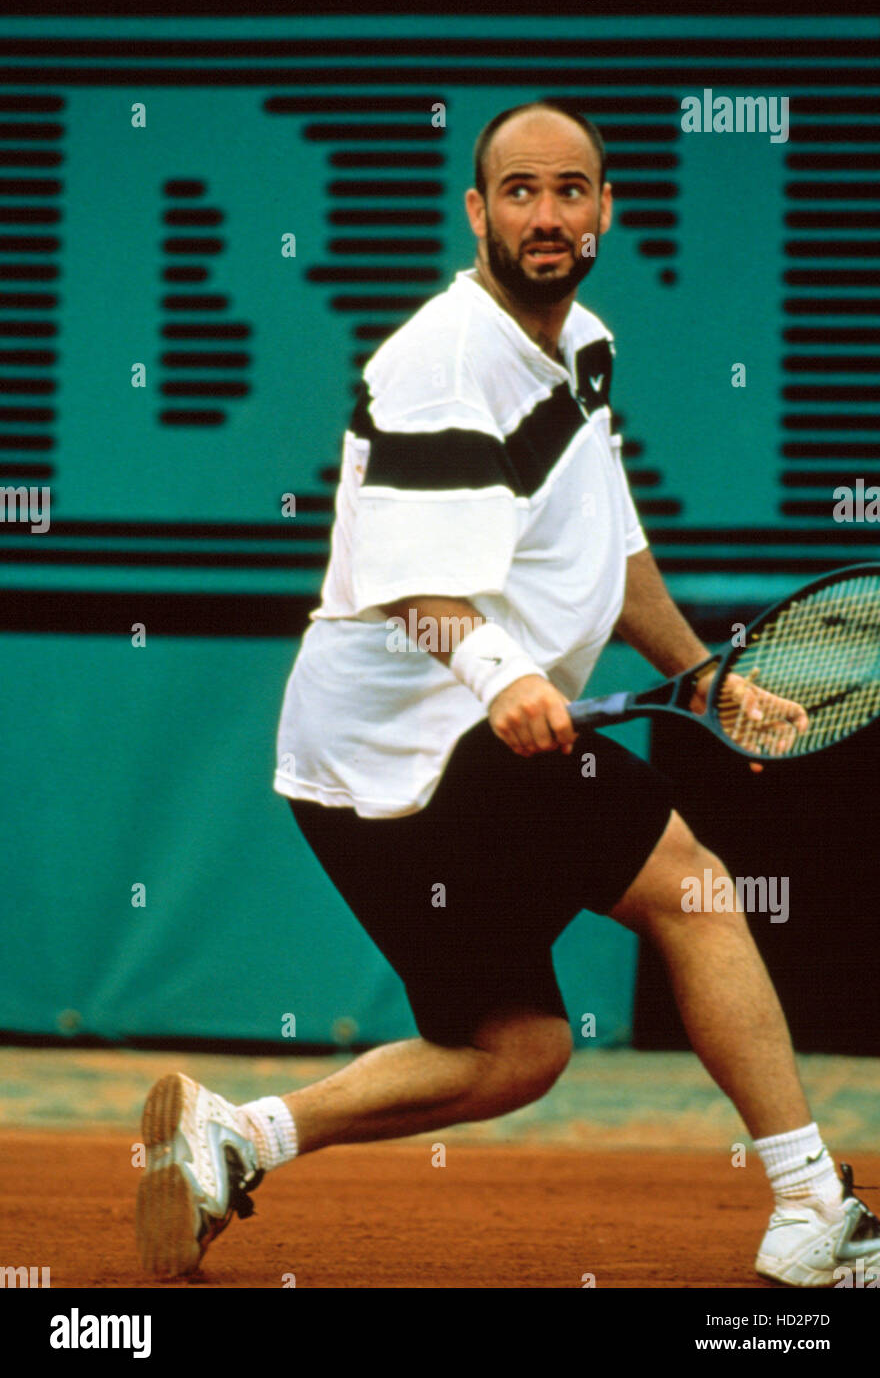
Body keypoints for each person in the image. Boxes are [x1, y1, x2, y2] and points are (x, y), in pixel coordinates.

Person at [135, 100, 880, 1288]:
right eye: (521, 192)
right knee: (694, 887)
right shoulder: (438, 362)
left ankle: (240, 1136)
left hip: (355, 774)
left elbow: (611, 541)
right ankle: (808, 1209)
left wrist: (708, 672)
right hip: (417, 754)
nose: (548, 214)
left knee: (517, 1048)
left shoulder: (582, 343)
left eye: (571, 190)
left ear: (605, 208)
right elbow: (409, 593)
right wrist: (503, 678)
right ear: (476, 211)